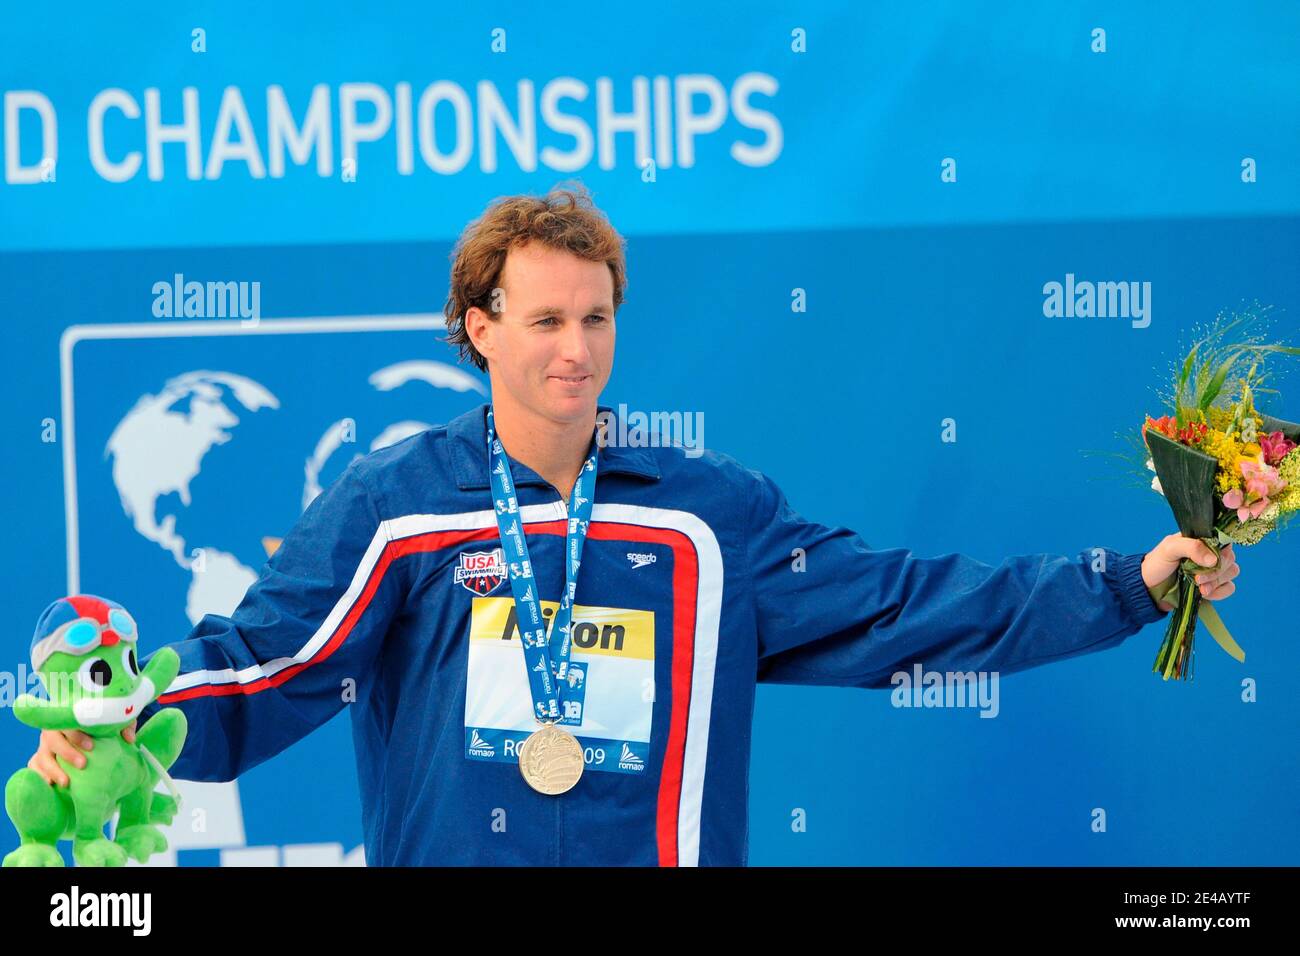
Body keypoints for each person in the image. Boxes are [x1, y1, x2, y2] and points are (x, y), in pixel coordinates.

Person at [27, 183, 1241, 866]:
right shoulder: (399, 502)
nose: (575, 347)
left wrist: (1129, 579)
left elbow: (909, 603)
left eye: (596, 319)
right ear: (477, 326)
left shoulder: (709, 519)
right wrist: (126, 723)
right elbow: (272, 665)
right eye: (545, 319)